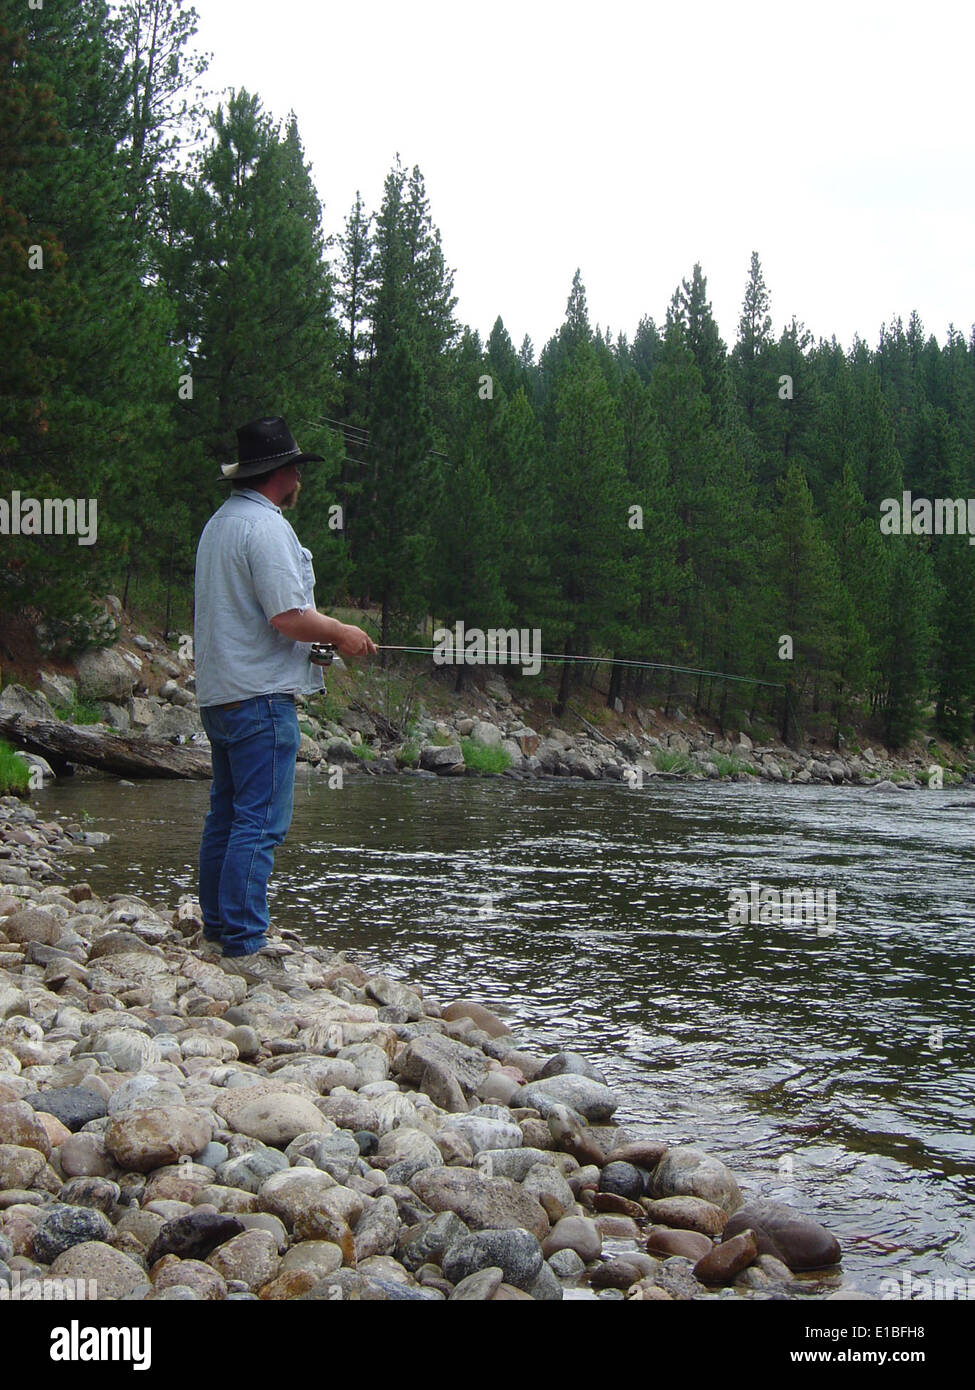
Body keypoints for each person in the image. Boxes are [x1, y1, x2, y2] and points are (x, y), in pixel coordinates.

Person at [193, 416, 376, 986]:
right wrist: (343, 631)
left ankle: (221, 932)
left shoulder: (220, 524)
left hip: (220, 694)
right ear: (281, 473)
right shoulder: (264, 528)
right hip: (259, 699)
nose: (300, 475)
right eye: (296, 466)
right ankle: (245, 945)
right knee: (260, 823)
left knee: (226, 815)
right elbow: (288, 617)